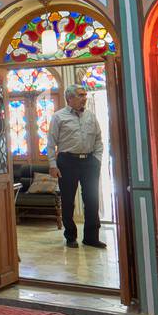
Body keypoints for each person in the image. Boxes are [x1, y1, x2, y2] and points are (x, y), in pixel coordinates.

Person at [47, 85, 106, 249]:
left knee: (92, 200)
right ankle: (70, 236)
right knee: (68, 202)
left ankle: (91, 237)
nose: (84, 98)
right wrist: (53, 165)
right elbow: (51, 144)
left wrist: (97, 160)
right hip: (67, 162)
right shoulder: (58, 117)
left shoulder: (91, 116)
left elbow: (99, 141)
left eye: (85, 95)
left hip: (89, 162)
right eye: (80, 95)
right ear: (70, 99)